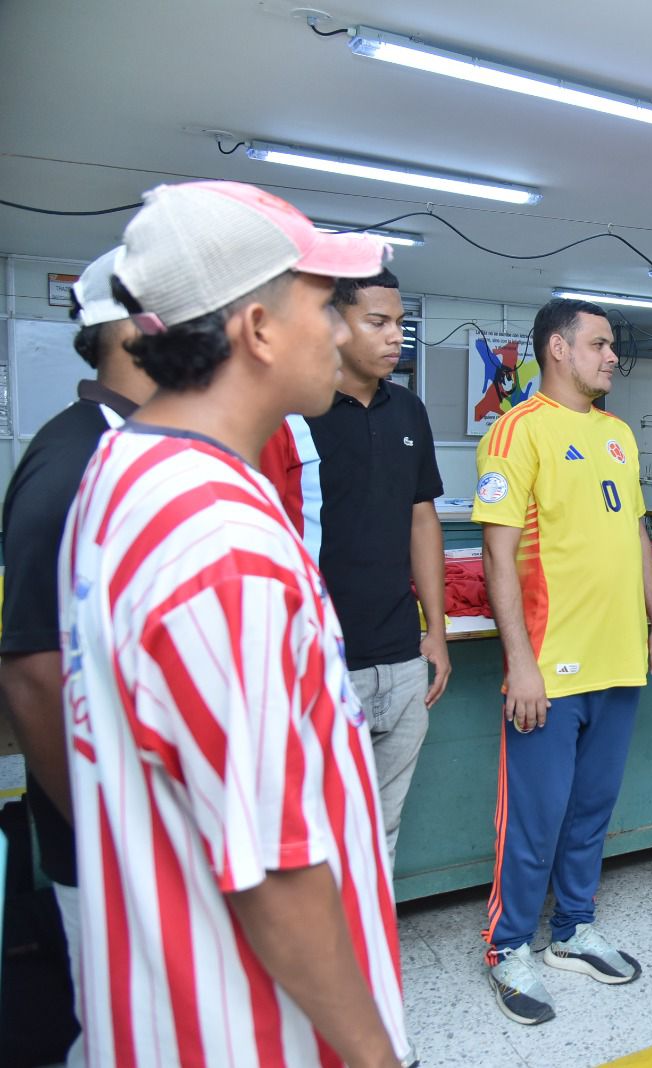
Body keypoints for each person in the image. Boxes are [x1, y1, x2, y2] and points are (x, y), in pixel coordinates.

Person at [61, 181, 407, 1065]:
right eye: (323, 305)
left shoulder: (125, 468)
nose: (341, 330)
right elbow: (276, 867)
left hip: (162, 1006)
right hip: (251, 1034)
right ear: (257, 329)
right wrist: (377, 1055)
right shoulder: (223, 548)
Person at [475, 297, 652, 1025]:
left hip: (617, 659)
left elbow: (636, 536)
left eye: (612, 345)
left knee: (590, 811)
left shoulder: (618, 433)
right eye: (599, 344)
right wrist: (520, 664)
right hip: (550, 665)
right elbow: (498, 557)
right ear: (558, 349)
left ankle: (572, 929)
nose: (612, 356)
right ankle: (506, 948)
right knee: (533, 820)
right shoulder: (515, 432)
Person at [0, 247, 154, 1065]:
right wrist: (105, 832)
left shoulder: (139, 450)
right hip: (103, 848)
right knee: (121, 1036)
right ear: (130, 332)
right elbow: (29, 669)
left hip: (148, 835)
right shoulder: (73, 462)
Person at [260, 267, 452, 866]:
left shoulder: (409, 412)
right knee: (309, 834)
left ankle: (370, 958)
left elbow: (423, 519)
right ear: (334, 325)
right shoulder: (290, 417)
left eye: (400, 323)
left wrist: (436, 632)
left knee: (381, 828)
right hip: (319, 660)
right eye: (378, 323)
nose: (396, 336)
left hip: (399, 658)